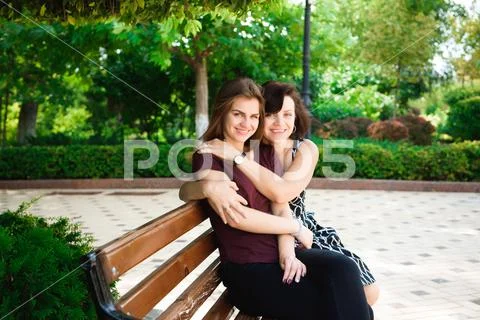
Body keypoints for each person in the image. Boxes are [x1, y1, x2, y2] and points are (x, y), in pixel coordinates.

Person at [183, 77, 373, 319]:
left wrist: (287, 252)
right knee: (345, 307)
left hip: (275, 259)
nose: (247, 123)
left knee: (343, 268)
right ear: (222, 113)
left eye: (254, 117)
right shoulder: (209, 154)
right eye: (238, 114)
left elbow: (280, 204)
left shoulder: (260, 151)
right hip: (249, 270)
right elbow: (238, 216)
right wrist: (295, 227)